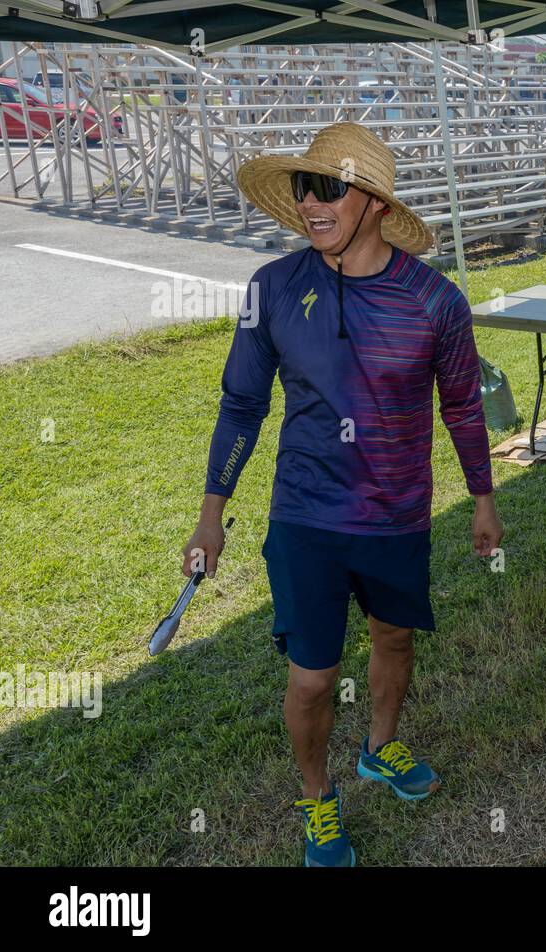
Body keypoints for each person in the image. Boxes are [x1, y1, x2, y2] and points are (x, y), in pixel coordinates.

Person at [181, 122, 503, 866]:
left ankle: (380, 748)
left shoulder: (435, 302)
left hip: (398, 515)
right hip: (307, 516)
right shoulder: (274, 287)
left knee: (394, 638)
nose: (310, 204)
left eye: (328, 188)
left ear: (375, 204)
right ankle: (317, 801)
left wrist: (482, 497)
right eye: (303, 187)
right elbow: (241, 404)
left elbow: (460, 405)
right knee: (314, 675)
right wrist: (211, 518)